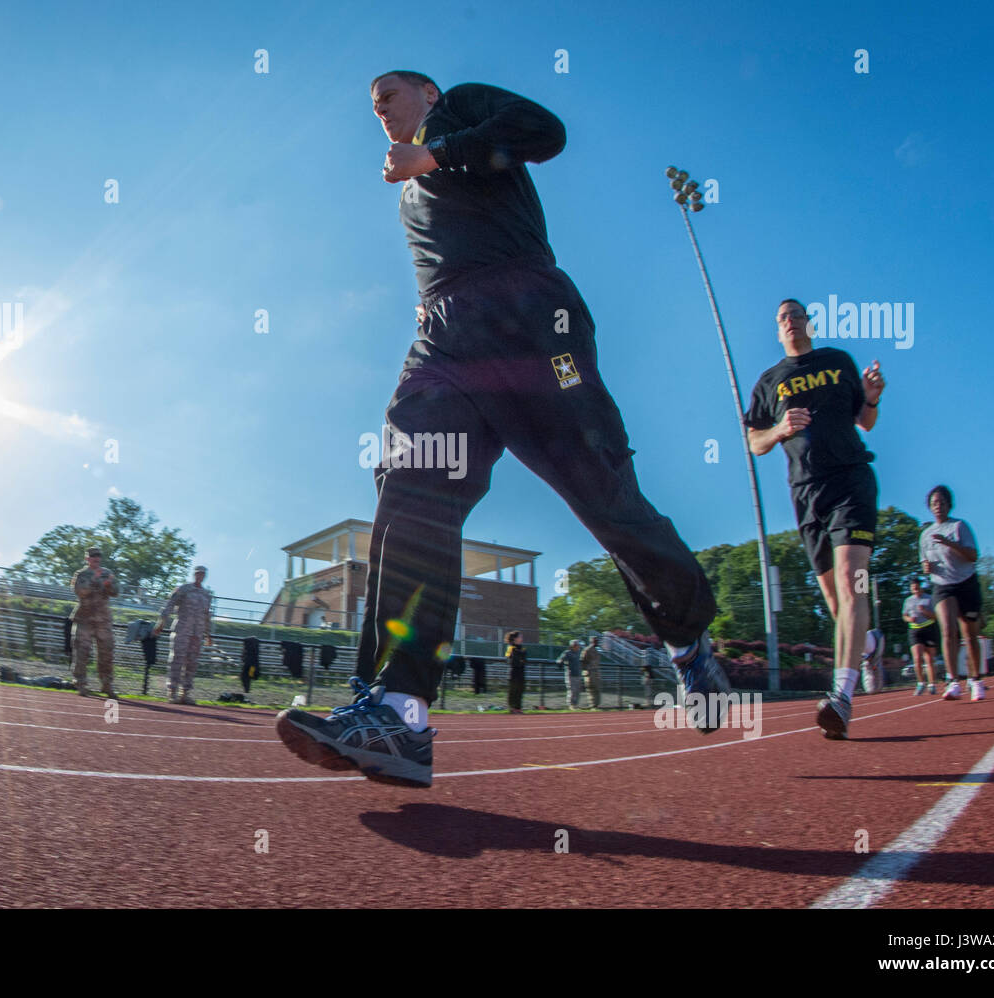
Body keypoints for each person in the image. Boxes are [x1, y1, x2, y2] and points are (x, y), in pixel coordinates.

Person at [274, 71, 728, 788]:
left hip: (528, 317)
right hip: (443, 341)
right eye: (371, 109)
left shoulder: (463, 110)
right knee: (412, 490)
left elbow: (546, 134)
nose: (381, 113)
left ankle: (686, 633)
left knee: (600, 489)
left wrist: (436, 153)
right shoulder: (408, 194)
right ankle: (399, 712)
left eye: (389, 96)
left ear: (426, 91)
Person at [745, 299, 885, 739]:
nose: (789, 322)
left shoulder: (837, 361)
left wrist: (874, 398)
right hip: (806, 494)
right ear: (778, 328)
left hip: (850, 481)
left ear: (808, 322)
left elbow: (865, 421)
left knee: (850, 582)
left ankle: (841, 697)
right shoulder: (769, 382)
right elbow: (754, 442)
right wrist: (780, 429)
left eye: (796, 315)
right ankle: (869, 643)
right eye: (782, 318)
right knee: (835, 601)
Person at [919, 485, 984, 701]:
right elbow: (924, 563)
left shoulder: (959, 526)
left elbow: (973, 556)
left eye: (942, 502)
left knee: (969, 634)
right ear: (930, 507)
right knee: (947, 630)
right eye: (934, 503)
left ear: (949, 505)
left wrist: (949, 543)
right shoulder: (925, 535)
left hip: (965, 582)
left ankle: (975, 680)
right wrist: (926, 568)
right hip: (942, 585)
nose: (938, 506)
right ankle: (953, 680)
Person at [154, 565, 214, 704]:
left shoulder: (206, 595)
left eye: (203, 574)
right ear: (194, 574)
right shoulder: (184, 589)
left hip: (197, 634)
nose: (200, 576)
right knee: (177, 660)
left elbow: (206, 616)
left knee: (192, 663)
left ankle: (185, 694)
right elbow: (170, 605)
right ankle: (172, 692)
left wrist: (208, 634)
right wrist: (161, 623)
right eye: (198, 573)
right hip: (182, 630)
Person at [71, 547, 119, 697]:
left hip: (103, 621)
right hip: (84, 619)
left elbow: (116, 592)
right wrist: (94, 579)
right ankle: (81, 683)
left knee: (106, 652)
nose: (96, 559)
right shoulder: (81, 574)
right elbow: (80, 591)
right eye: (93, 556)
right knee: (82, 653)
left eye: (98, 556)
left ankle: (106, 684)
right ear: (87, 558)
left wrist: (109, 584)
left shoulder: (108, 573)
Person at [902, 577, 939, 695]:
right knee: (917, 658)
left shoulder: (929, 599)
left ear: (921, 587)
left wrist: (924, 612)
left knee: (929, 659)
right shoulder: (908, 601)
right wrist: (909, 619)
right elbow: (904, 616)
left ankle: (932, 684)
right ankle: (921, 683)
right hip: (914, 631)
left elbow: (935, 616)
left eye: (917, 588)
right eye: (913, 588)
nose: (915, 590)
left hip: (928, 628)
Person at [505, 630, 528, 714]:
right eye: (520, 637)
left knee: (520, 690)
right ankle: (512, 707)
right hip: (513, 672)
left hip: (521, 672)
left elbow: (524, 661)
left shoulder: (523, 648)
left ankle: (518, 707)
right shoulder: (510, 647)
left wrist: (520, 658)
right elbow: (510, 659)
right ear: (515, 638)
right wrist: (519, 658)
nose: (521, 638)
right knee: (513, 690)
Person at [557, 639, 583, 709]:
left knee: (577, 690)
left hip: (578, 674)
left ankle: (575, 704)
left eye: (578, 645)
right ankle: (571, 705)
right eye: (577, 645)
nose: (578, 646)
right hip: (570, 674)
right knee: (572, 690)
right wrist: (560, 663)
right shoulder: (567, 653)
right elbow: (560, 660)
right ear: (572, 646)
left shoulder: (579, 653)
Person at [581, 634, 602, 709]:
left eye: (597, 641)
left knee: (597, 689)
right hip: (590, 672)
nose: (597, 642)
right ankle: (592, 705)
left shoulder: (597, 650)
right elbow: (582, 661)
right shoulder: (587, 650)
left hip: (596, 672)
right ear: (592, 641)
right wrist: (585, 671)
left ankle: (597, 705)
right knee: (591, 689)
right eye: (595, 641)